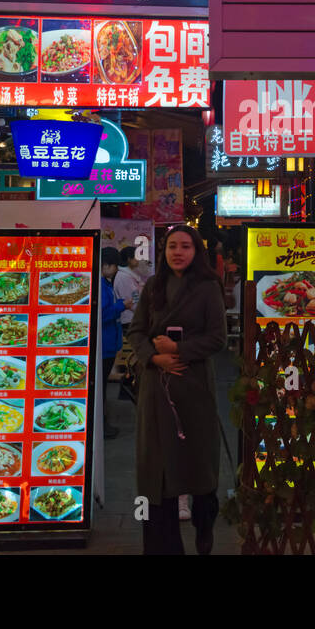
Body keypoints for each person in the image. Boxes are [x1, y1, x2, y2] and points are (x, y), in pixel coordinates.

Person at [125, 224, 226, 554]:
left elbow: (217, 338)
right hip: (155, 388)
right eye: (172, 247)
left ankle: (204, 520)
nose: (178, 252)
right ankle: (163, 546)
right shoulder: (154, 286)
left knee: (200, 466)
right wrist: (155, 358)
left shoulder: (209, 288)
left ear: (196, 251)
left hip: (193, 386)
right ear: (163, 251)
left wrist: (179, 350)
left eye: (185, 246)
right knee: (156, 471)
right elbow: (137, 332)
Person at [99, 248, 126, 439]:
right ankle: (102, 425)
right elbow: (103, 314)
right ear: (106, 266)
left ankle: (103, 423)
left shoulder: (105, 284)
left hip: (109, 343)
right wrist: (122, 305)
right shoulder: (100, 286)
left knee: (102, 387)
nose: (116, 270)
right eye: (114, 266)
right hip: (104, 344)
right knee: (101, 389)